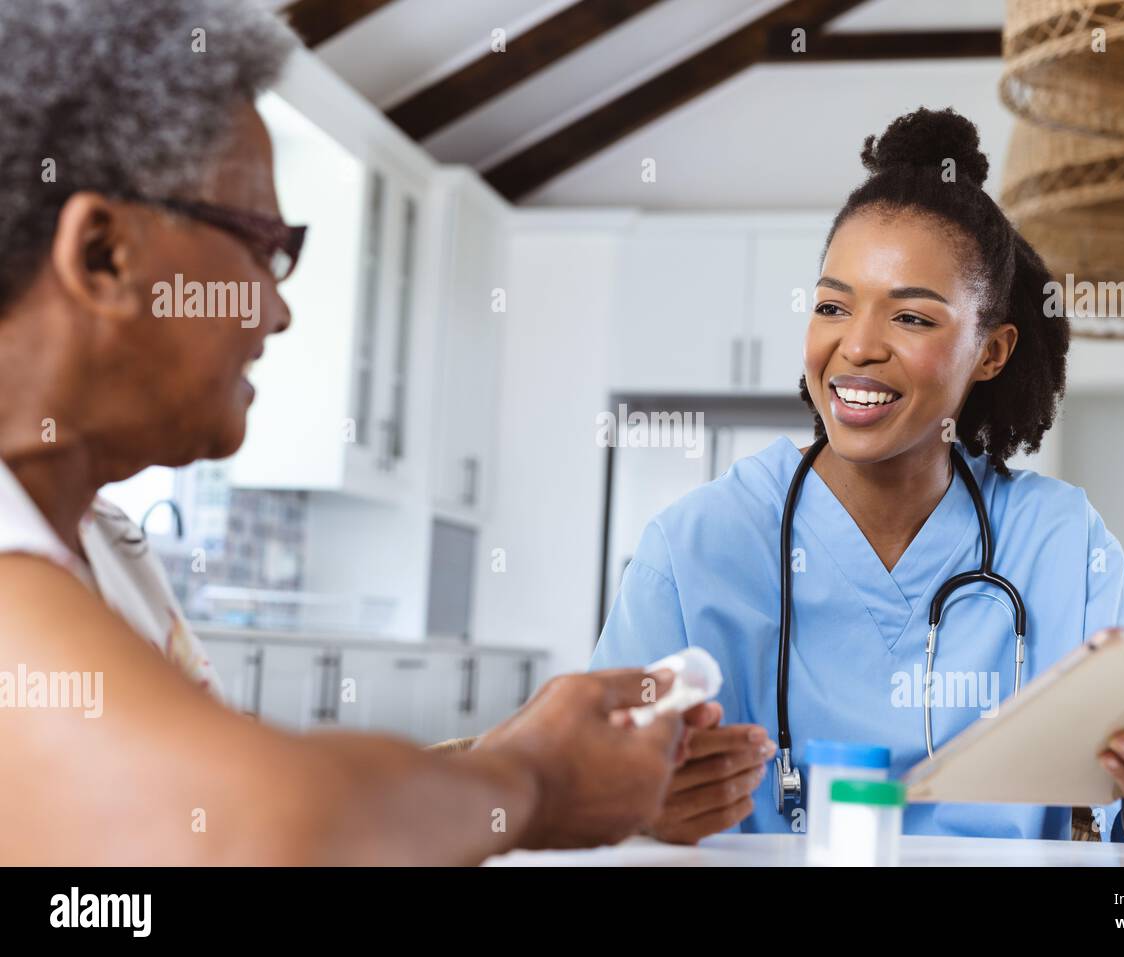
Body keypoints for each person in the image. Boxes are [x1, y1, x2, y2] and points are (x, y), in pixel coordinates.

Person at [0, 0, 684, 865]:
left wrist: (545, 769)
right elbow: (253, 824)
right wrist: (538, 782)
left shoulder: (102, 546)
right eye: (263, 244)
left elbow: (243, 786)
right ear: (104, 254)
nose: (278, 310)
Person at [591, 108, 1124, 850]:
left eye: (911, 317)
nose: (859, 345)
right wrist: (638, 810)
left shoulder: (1061, 542)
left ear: (992, 351)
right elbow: (591, 792)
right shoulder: (695, 547)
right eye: (833, 305)